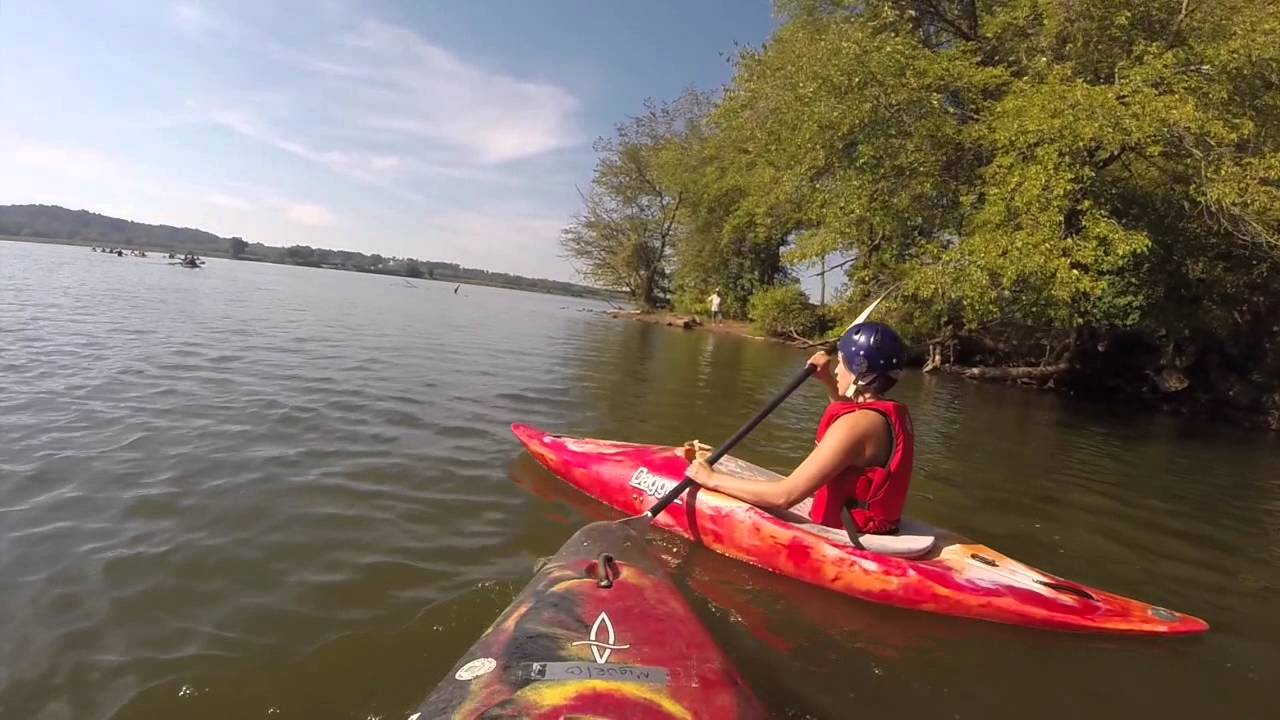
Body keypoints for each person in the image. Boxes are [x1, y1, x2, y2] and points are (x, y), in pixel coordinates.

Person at [687, 321, 913, 535]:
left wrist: (711, 479)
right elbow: (851, 431)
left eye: (841, 363)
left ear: (859, 370)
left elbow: (784, 496)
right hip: (870, 526)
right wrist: (826, 381)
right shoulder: (879, 415)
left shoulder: (856, 426)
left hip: (850, 536)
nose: (836, 371)